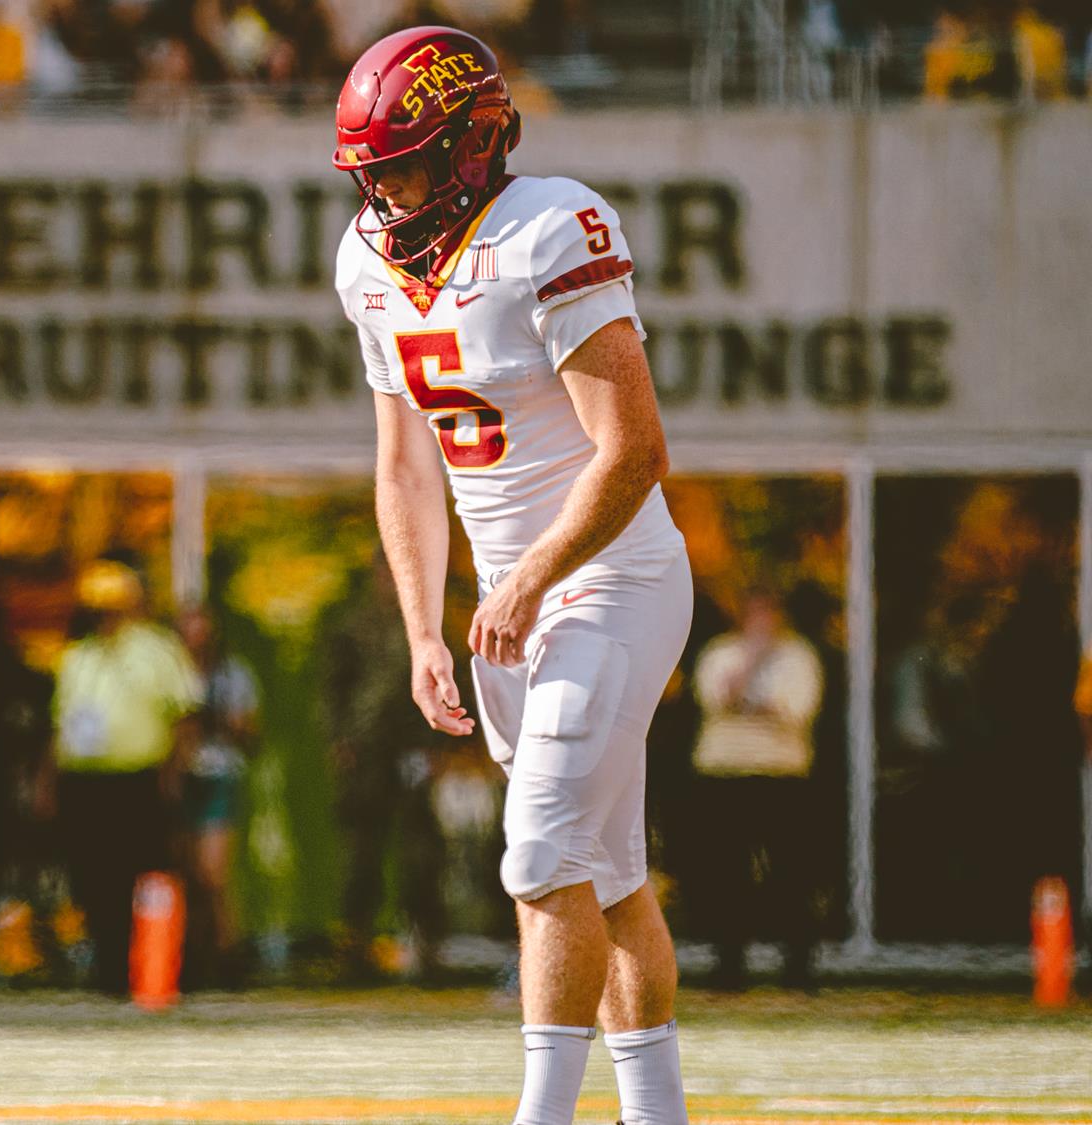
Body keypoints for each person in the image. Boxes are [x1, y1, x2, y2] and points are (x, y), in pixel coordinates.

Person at [334, 26, 692, 1125]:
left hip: (612, 582)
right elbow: (402, 465)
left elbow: (632, 448)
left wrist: (533, 576)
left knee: (537, 851)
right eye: (371, 170)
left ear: (474, 143)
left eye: (406, 162)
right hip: (507, 605)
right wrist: (421, 630)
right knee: (606, 876)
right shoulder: (364, 261)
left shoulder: (549, 225)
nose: (387, 192)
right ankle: (658, 1116)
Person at [37, 560, 201, 995]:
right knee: (93, 878)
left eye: (112, 607)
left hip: (140, 780)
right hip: (86, 783)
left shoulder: (158, 649)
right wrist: (48, 782)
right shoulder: (76, 657)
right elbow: (60, 727)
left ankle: (156, 969)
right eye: (97, 607)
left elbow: (185, 718)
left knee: (148, 878)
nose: (104, 616)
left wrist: (175, 774)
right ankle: (108, 969)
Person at [687, 587, 824, 990]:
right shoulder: (720, 654)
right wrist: (752, 660)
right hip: (726, 776)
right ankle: (729, 967)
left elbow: (796, 711)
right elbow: (718, 697)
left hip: (781, 778)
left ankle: (797, 969)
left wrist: (751, 703)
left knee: (791, 874)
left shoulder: (799, 657)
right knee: (727, 874)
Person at [327, 561, 449, 982]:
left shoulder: (430, 624)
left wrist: (437, 748)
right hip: (367, 752)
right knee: (362, 853)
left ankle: (426, 947)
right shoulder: (354, 625)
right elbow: (333, 687)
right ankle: (355, 946)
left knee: (422, 856)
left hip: (415, 746)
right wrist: (340, 740)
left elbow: (451, 684)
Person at [175, 606, 257, 989]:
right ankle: (188, 956)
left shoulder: (232, 675)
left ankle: (227, 956)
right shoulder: (170, 672)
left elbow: (251, 733)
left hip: (218, 775)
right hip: (178, 779)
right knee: (183, 874)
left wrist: (219, 719)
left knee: (214, 876)